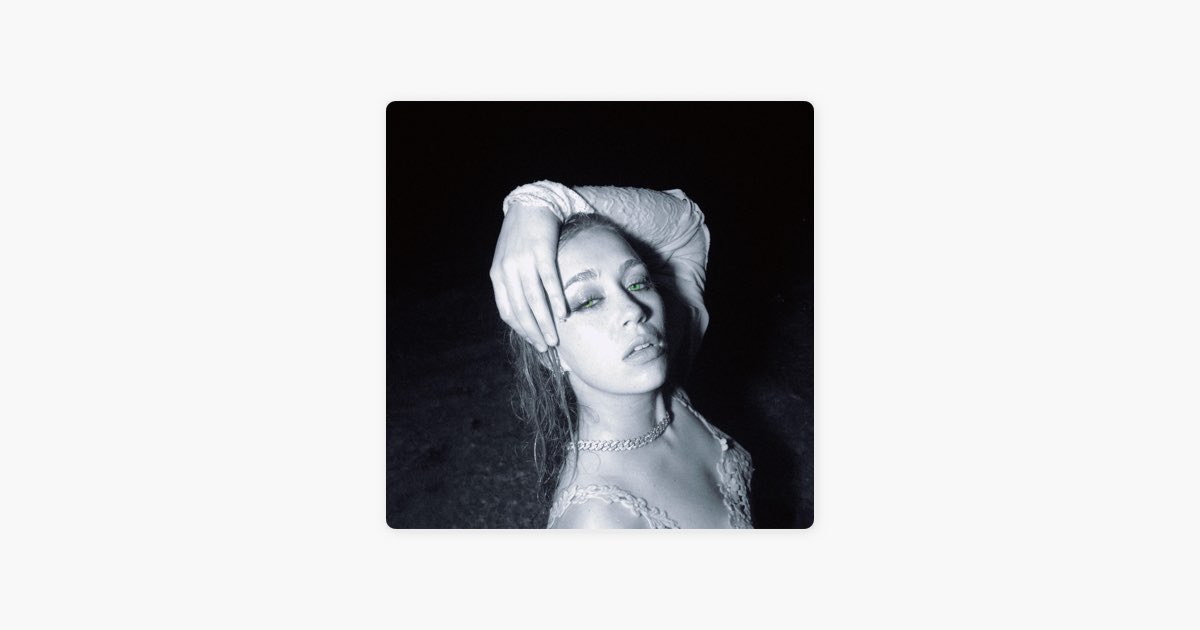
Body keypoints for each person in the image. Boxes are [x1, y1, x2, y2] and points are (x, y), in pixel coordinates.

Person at [491, 180, 753, 528]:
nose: (634, 309)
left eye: (638, 282)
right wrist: (535, 202)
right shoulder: (598, 521)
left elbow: (685, 224)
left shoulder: (666, 374)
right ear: (550, 355)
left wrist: (540, 204)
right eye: (588, 301)